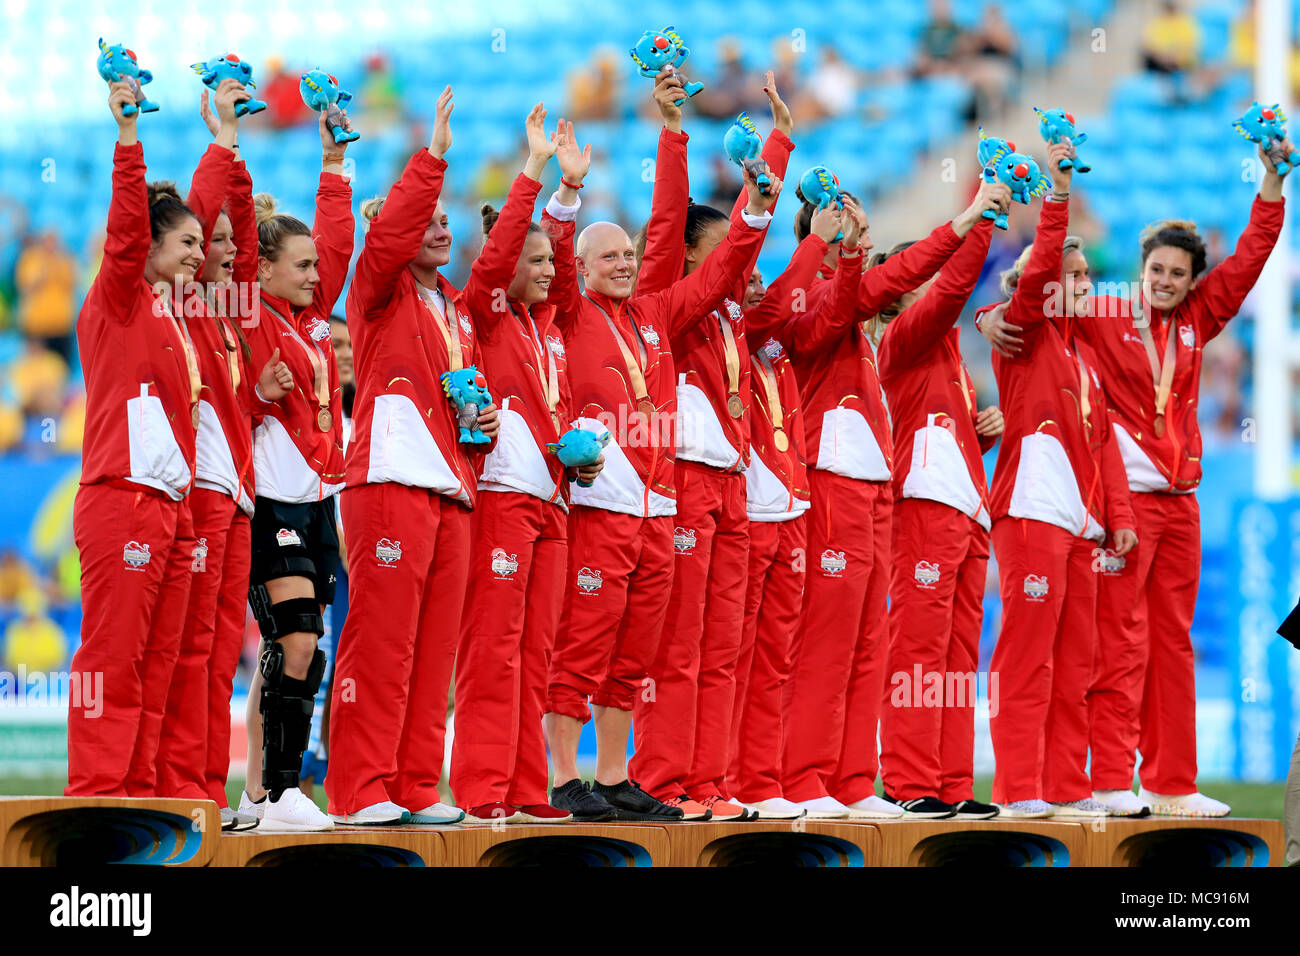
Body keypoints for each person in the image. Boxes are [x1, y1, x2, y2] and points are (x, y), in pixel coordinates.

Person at [981, 138, 1289, 817]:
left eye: (1179, 272)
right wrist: (992, 315)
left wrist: (1269, 189)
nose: (1165, 281)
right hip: (1118, 505)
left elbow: (1249, 262)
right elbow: (1030, 301)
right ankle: (1112, 779)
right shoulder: (1102, 313)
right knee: (1118, 645)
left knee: (1172, 645)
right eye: (1156, 268)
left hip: (1181, 502)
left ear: (1191, 279)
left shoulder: (1199, 321)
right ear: (1141, 269)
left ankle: (1173, 784)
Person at [540, 69, 779, 822]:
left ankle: (613, 777)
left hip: (655, 507)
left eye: (622, 255)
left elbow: (719, 265)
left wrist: (758, 205)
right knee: (584, 645)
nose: (617, 263)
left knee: (633, 658)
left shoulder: (657, 313)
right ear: (578, 270)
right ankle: (559, 778)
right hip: (603, 504)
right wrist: (571, 196)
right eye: (602, 255)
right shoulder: (570, 315)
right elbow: (570, 240)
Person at [325, 87, 503, 827]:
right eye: (423, 221)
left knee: (435, 653)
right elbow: (393, 231)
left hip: (452, 488)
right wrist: (433, 156)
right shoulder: (376, 292)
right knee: (382, 643)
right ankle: (360, 788)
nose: (436, 229)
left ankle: (414, 785)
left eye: (444, 222)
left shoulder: (455, 311)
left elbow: (459, 402)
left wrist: (482, 423)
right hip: (389, 481)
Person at [628, 73, 793, 822]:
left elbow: (779, 278)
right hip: (686, 481)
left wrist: (777, 156)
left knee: (723, 648)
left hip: (730, 483)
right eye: (721, 248)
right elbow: (665, 227)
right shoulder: (674, 305)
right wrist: (673, 129)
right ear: (690, 260)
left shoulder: (731, 320)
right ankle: (663, 781)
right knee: (681, 648)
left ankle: (709, 782)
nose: (738, 259)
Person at [974, 142, 1137, 818]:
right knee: (1028, 656)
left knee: (1075, 665)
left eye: (1086, 278)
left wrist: (1120, 516)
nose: (1082, 286)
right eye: (1070, 277)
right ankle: (1017, 789)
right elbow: (1039, 268)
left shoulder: (1084, 358)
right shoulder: (1024, 332)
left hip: (1077, 524)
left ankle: (1069, 788)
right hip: (1031, 513)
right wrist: (1059, 196)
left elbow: (1104, 446)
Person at [451, 113, 605, 825]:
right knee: (494, 650)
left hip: (552, 502)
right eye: (535, 262)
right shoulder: (482, 313)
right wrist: (537, 173)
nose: (548, 272)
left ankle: (523, 788)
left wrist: (570, 195)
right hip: (504, 500)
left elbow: (564, 264)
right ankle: (483, 789)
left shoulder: (548, 328)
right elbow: (500, 256)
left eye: (551, 263)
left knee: (536, 653)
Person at [152, 80, 288, 832]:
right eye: (211, 245)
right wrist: (225, 145)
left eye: (233, 248)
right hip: (200, 493)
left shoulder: (223, 314)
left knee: (211, 658)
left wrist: (261, 398)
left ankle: (203, 791)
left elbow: (229, 407)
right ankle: (180, 790)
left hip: (233, 495)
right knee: (188, 653)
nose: (225, 254)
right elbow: (208, 214)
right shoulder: (180, 300)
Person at [66, 81, 202, 797]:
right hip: (121, 499)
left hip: (169, 508)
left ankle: (140, 791)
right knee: (113, 658)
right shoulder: (120, 296)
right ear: (147, 245)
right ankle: (96, 791)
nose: (197, 257)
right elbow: (123, 234)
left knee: (158, 662)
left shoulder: (170, 315)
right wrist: (128, 142)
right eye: (186, 243)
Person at [236, 103, 357, 832]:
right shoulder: (248, 309)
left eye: (316, 266)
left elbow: (337, 242)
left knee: (301, 651)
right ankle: (273, 791)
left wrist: (335, 165)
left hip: (315, 503)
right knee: (298, 637)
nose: (318, 276)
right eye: (302, 266)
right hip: (271, 501)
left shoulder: (311, 321)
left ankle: (266, 794)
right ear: (263, 269)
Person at [875, 176, 1010, 820]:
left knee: (958, 658)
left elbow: (931, 436)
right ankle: (906, 783)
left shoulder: (951, 356)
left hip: (966, 512)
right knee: (918, 651)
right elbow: (955, 288)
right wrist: (981, 218)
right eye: (921, 280)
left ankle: (952, 782)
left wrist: (980, 438)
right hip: (923, 512)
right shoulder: (902, 340)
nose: (933, 291)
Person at [725, 205, 846, 819]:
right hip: (744, 511)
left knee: (776, 656)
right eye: (743, 277)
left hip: (789, 508)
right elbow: (781, 301)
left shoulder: (773, 345)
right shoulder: (721, 332)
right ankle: (725, 781)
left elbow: (822, 306)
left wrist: (839, 253)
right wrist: (816, 243)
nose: (753, 286)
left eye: (756, 277)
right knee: (735, 656)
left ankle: (761, 780)